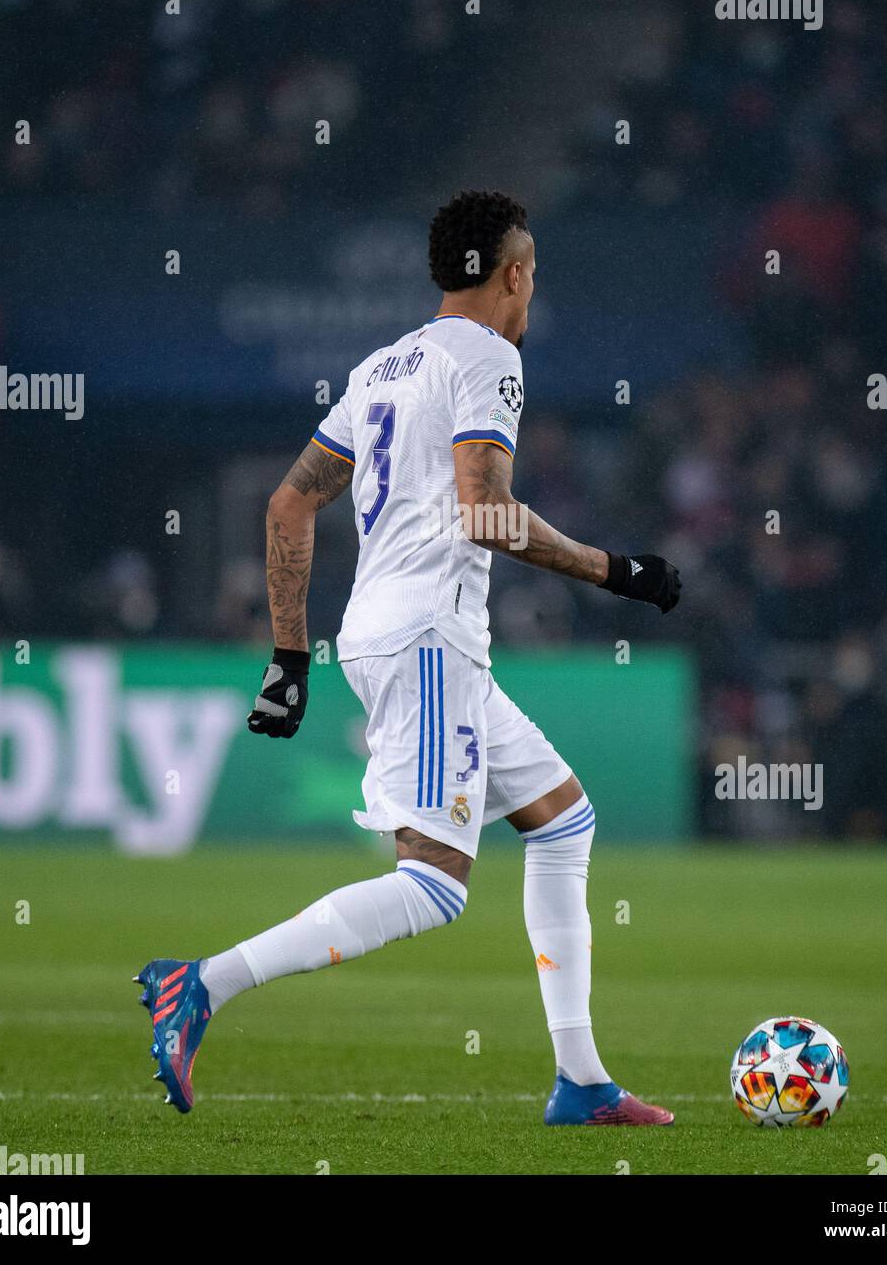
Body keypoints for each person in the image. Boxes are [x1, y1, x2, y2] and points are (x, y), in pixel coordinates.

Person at [136, 190, 681, 1125]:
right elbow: (485, 508)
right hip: (429, 639)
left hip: (408, 637)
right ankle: (202, 984)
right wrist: (616, 571)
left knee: (562, 822)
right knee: (432, 887)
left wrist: (288, 659)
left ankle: (582, 1079)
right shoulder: (491, 358)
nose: (532, 292)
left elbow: (287, 506)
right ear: (513, 274)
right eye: (533, 273)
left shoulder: (383, 365)